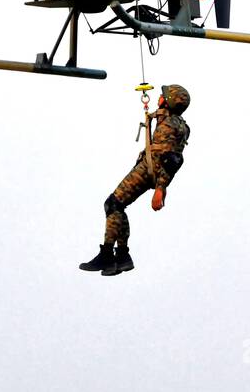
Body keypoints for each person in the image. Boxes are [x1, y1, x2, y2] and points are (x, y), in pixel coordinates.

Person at [80, 84, 191, 276]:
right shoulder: (177, 123)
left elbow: (170, 159)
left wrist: (160, 188)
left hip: (150, 170)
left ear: (170, 101)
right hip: (151, 170)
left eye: (163, 96)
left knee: (113, 204)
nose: (159, 98)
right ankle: (122, 257)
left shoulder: (170, 125)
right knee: (118, 206)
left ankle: (109, 254)